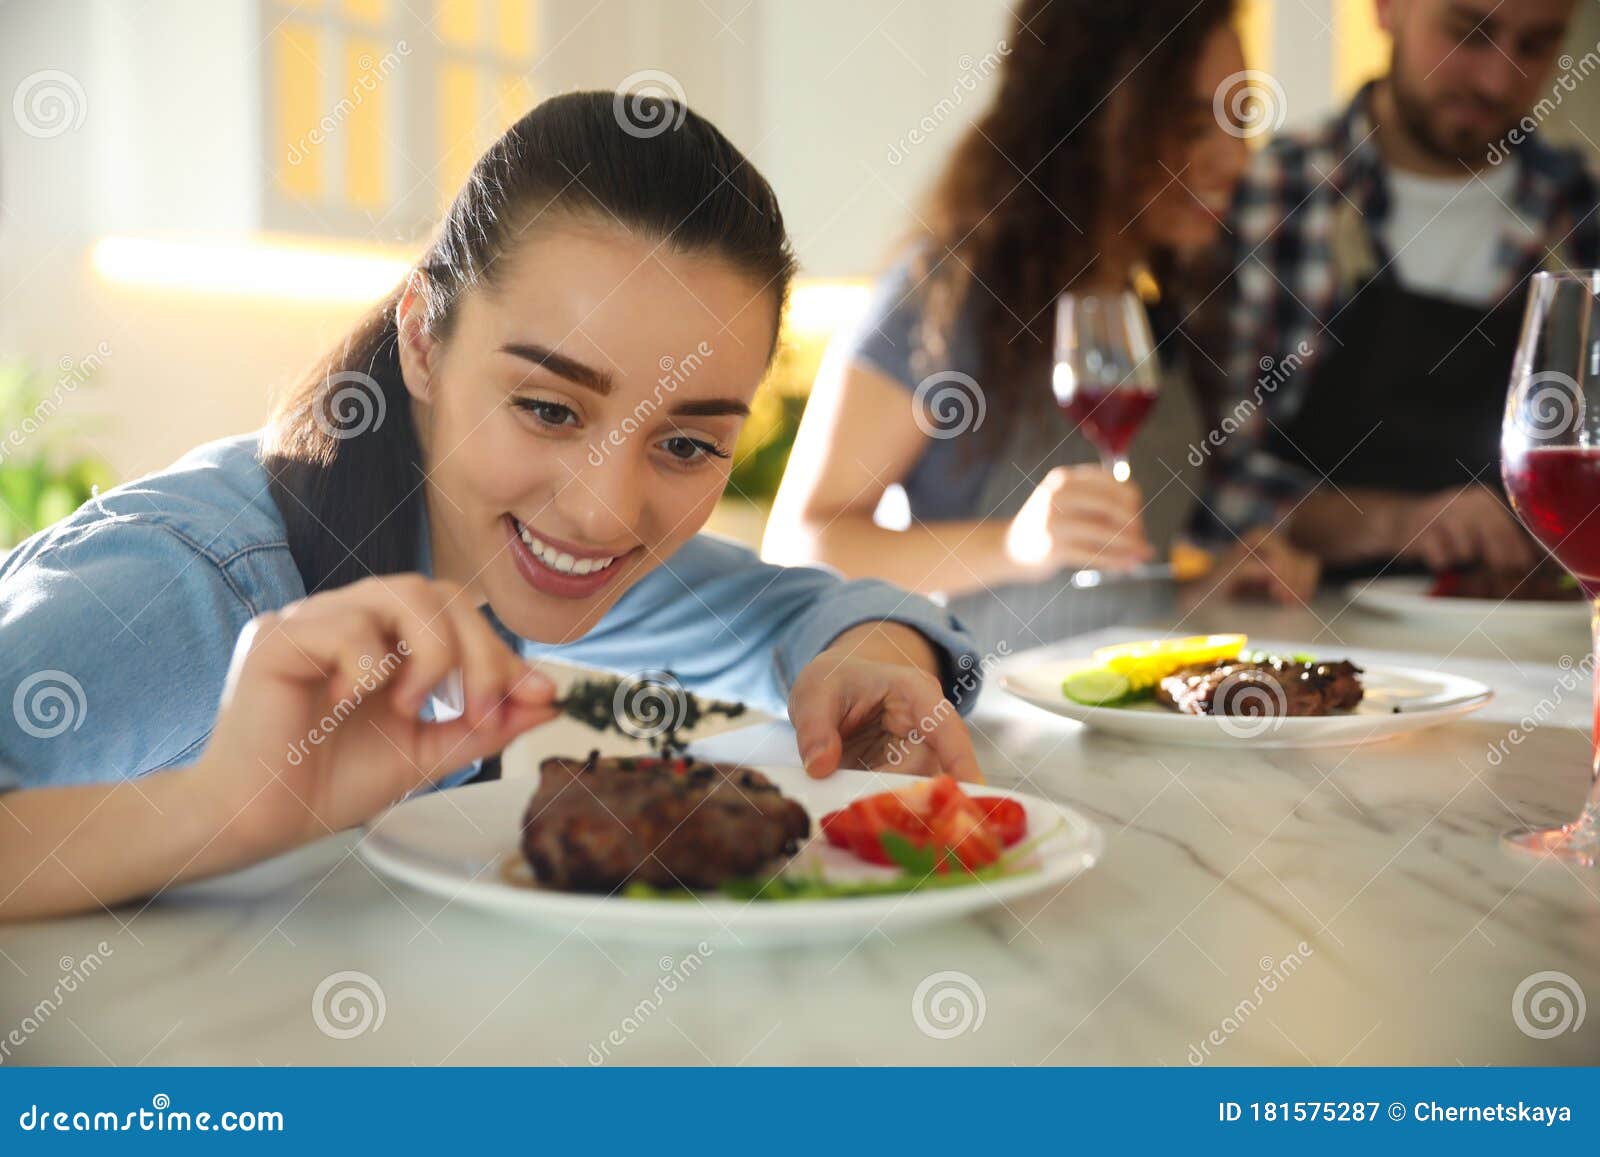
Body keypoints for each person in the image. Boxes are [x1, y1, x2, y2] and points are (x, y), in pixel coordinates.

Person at [0, 92, 984, 921]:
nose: (604, 512)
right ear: (425, 337)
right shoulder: (190, 589)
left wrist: (877, 661)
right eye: (549, 408)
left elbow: (809, 613)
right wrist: (214, 809)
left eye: (686, 443)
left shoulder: (511, 548)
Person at [762, 0, 1320, 655]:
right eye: (1193, 126)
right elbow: (803, 543)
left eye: (1240, 122)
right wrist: (1017, 545)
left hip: (1126, 725)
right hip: (982, 737)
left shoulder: (1163, 305)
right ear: (1092, 117)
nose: (1237, 161)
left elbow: (1107, 593)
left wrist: (1212, 585)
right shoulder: (948, 295)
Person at [1205, 0, 1599, 577]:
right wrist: (1394, 522)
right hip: (1315, 637)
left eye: (1536, 46)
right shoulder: (1273, 194)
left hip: (1537, 650)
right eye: (1469, 34)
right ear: (1387, 9)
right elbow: (1219, 484)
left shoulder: (1583, 216)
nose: (1497, 79)